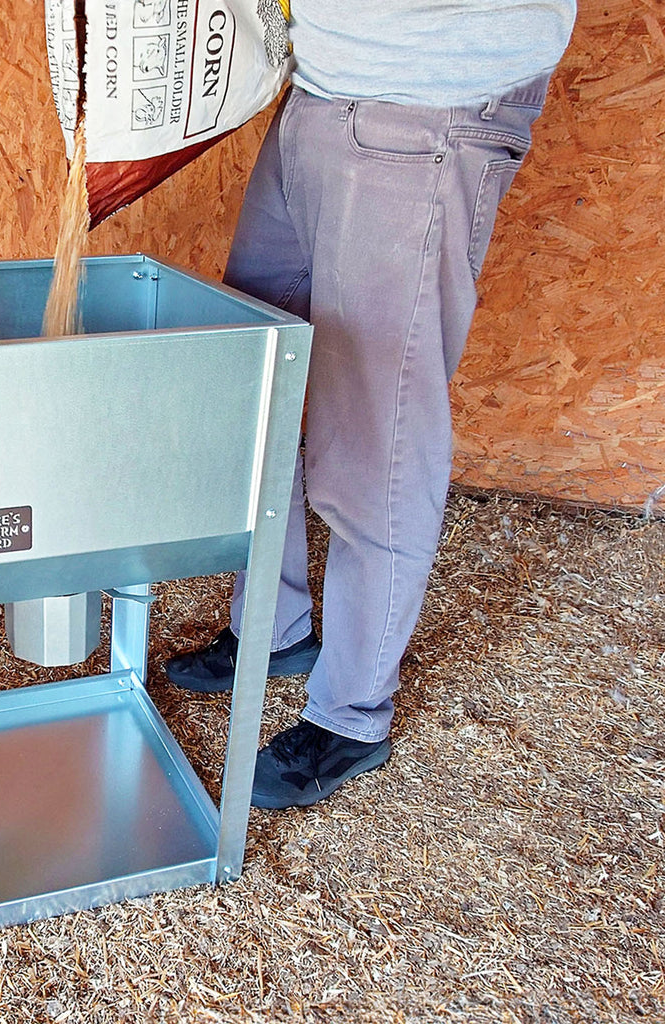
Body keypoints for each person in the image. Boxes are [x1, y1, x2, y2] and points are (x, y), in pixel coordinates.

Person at [164, 2, 577, 809]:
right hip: (320, 88)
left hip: (421, 100)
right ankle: (274, 630)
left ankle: (350, 717)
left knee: (375, 433)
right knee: (256, 375)